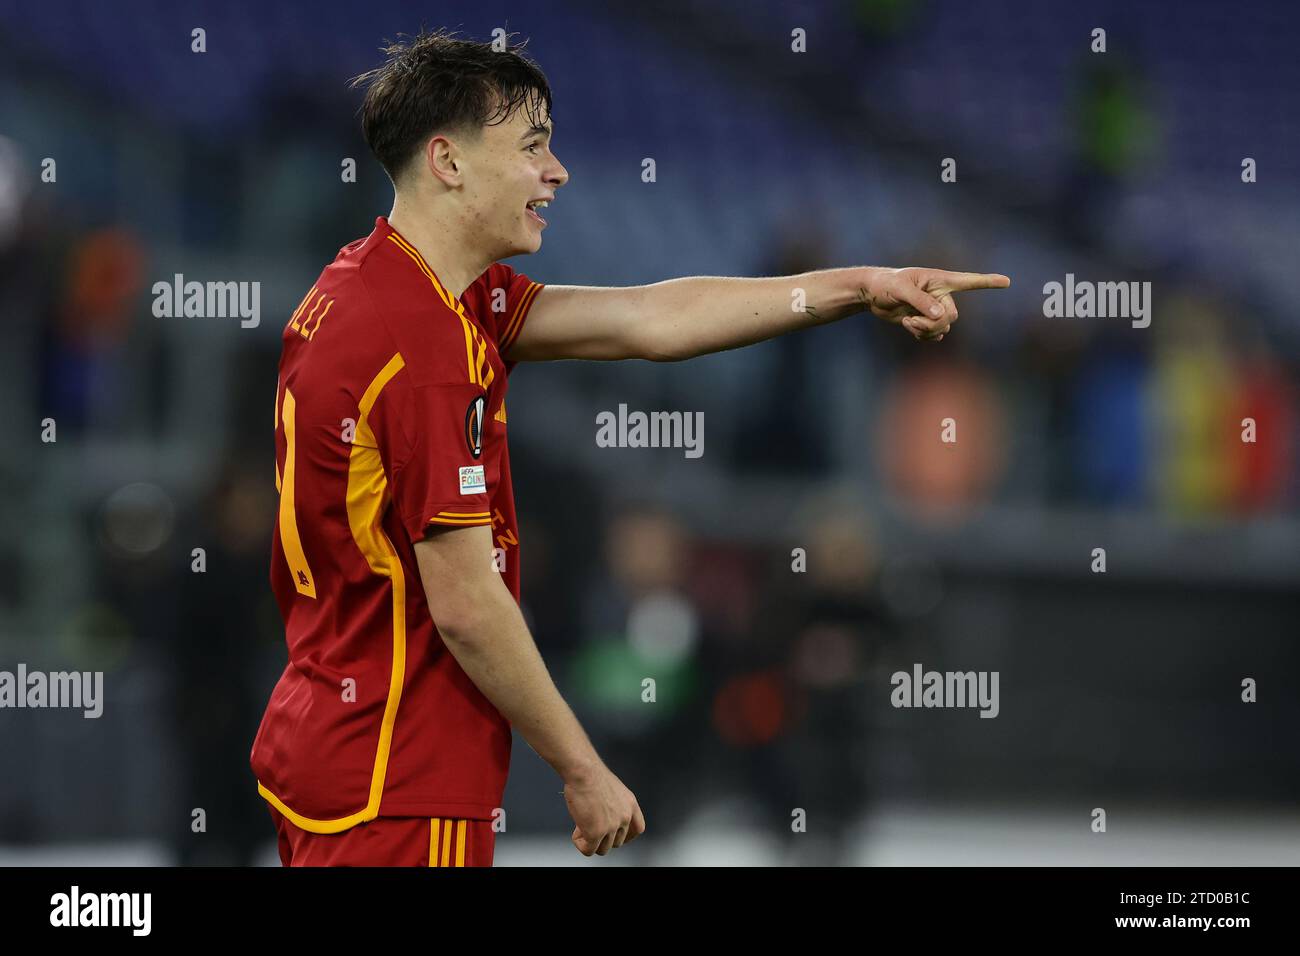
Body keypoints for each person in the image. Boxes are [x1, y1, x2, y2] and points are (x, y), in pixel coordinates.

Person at [250, 28, 1010, 867]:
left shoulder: (373, 283)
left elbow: (648, 319)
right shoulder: (425, 341)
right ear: (449, 162)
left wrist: (856, 287)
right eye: (533, 146)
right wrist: (582, 769)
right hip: (399, 773)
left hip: (335, 737)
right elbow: (465, 606)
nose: (557, 171)